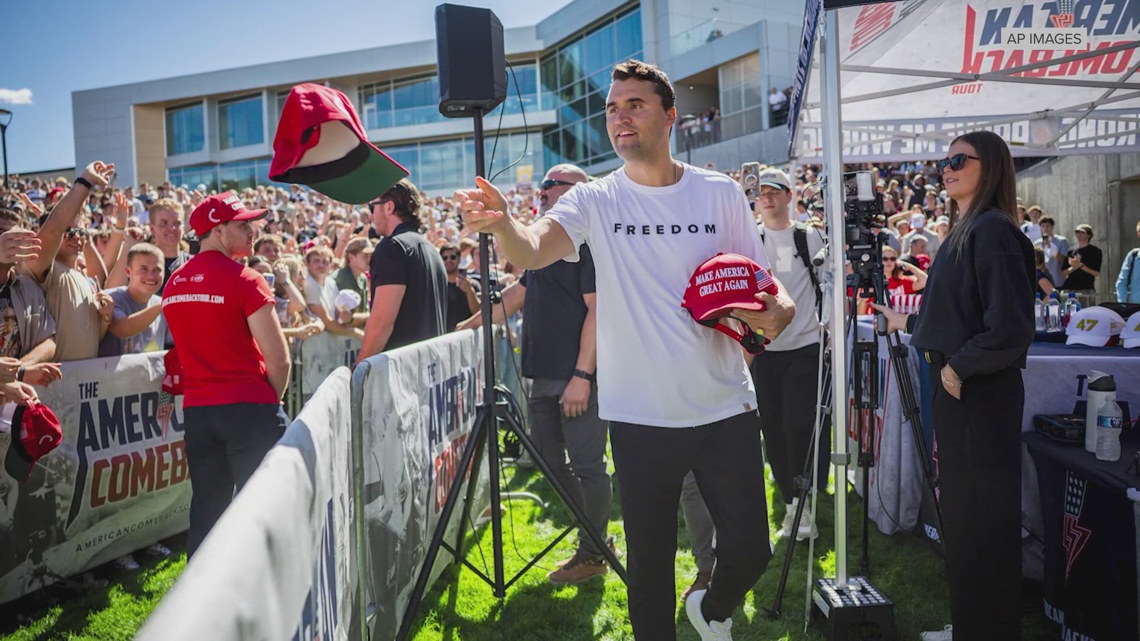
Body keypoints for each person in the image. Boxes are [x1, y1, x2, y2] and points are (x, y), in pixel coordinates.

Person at [456, 59, 795, 641]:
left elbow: (767, 285)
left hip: (724, 407)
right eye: (612, 108)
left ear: (670, 116)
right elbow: (533, 249)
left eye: (634, 104)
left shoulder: (717, 193)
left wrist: (780, 311)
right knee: (649, 572)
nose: (619, 116)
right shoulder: (595, 199)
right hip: (640, 415)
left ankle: (711, 611)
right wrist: (506, 228)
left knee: (752, 550)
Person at [873, 130, 1034, 641]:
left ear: (991, 166)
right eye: (944, 160)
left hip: (978, 396)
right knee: (965, 523)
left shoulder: (992, 231)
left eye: (960, 159)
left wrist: (957, 370)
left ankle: (988, 629)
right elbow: (957, 316)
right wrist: (907, 325)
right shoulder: (969, 229)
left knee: (982, 524)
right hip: (962, 393)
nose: (947, 167)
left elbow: (1008, 328)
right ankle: (971, 625)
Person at [457, 163, 615, 585]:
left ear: (580, 191)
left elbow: (598, 312)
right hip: (542, 376)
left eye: (551, 185)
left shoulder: (589, 244)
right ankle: (597, 542)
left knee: (588, 466)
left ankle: (594, 551)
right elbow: (517, 293)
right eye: (542, 185)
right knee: (548, 461)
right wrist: (469, 326)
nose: (541, 192)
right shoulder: (545, 243)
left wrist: (583, 374)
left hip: (577, 376)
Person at [161, 191, 291, 557]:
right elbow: (279, 360)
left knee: (208, 511)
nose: (253, 231)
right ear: (217, 230)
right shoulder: (246, 279)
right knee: (266, 510)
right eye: (243, 225)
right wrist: (270, 403)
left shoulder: (174, 284)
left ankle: (200, 602)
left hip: (200, 413)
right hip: (249, 408)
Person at [23, 162, 117, 361]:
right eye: (70, 232)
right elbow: (53, 229)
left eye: (81, 232)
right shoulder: (47, 270)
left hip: (86, 384)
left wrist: (106, 318)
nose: (77, 237)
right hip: (51, 384)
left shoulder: (86, 279)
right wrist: (84, 183)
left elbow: (93, 339)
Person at [355, 179, 447, 363]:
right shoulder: (432, 250)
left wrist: (360, 368)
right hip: (431, 369)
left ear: (389, 207)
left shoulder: (392, 247)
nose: (371, 216)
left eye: (372, 207)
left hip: (403, 373)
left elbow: (382, 320)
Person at [98, 243, 168, 356]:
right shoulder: (111, 298)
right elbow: (122, 329)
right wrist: (164, 303)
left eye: (157, 270)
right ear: (128, 271)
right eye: (144, 269)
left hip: (150, 373)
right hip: (112, 373)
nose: (151, 276)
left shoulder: (161, 303)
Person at [440, 243, 480, 332]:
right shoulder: (437, 286)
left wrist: (470, 291)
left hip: (467, 336)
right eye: (444, 258)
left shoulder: (472, 284)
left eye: (453, 257)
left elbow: (478, 313)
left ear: (459, 259)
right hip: (443, 337)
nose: (449, 260)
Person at [1061, 223, 1101, 292]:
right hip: (1069, 288)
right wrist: (1073, 267)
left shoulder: (1095, 251)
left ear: (1089, 235)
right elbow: (1064, 272)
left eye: (1082, 232)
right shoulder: (1071, 252)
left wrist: (1081, 266)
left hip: (1086, 288)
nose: (1079, 235)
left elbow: (1096, 273)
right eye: (1077, 232)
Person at [1034, 216, 1069, 285]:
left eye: (1048, 226)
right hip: (1042, 280)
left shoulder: (1061, 241)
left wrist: (1053, 249)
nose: (1045, 228)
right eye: (1043, 226)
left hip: (1058, 279)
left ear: (1052, 227)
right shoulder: (1037, 243)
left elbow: (1065, 262)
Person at [1115, 221, 1140, 303]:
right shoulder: (1133, 256)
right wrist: (1123, 305)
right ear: (1138, 234)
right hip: (1136, 308)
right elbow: (1121, 282)